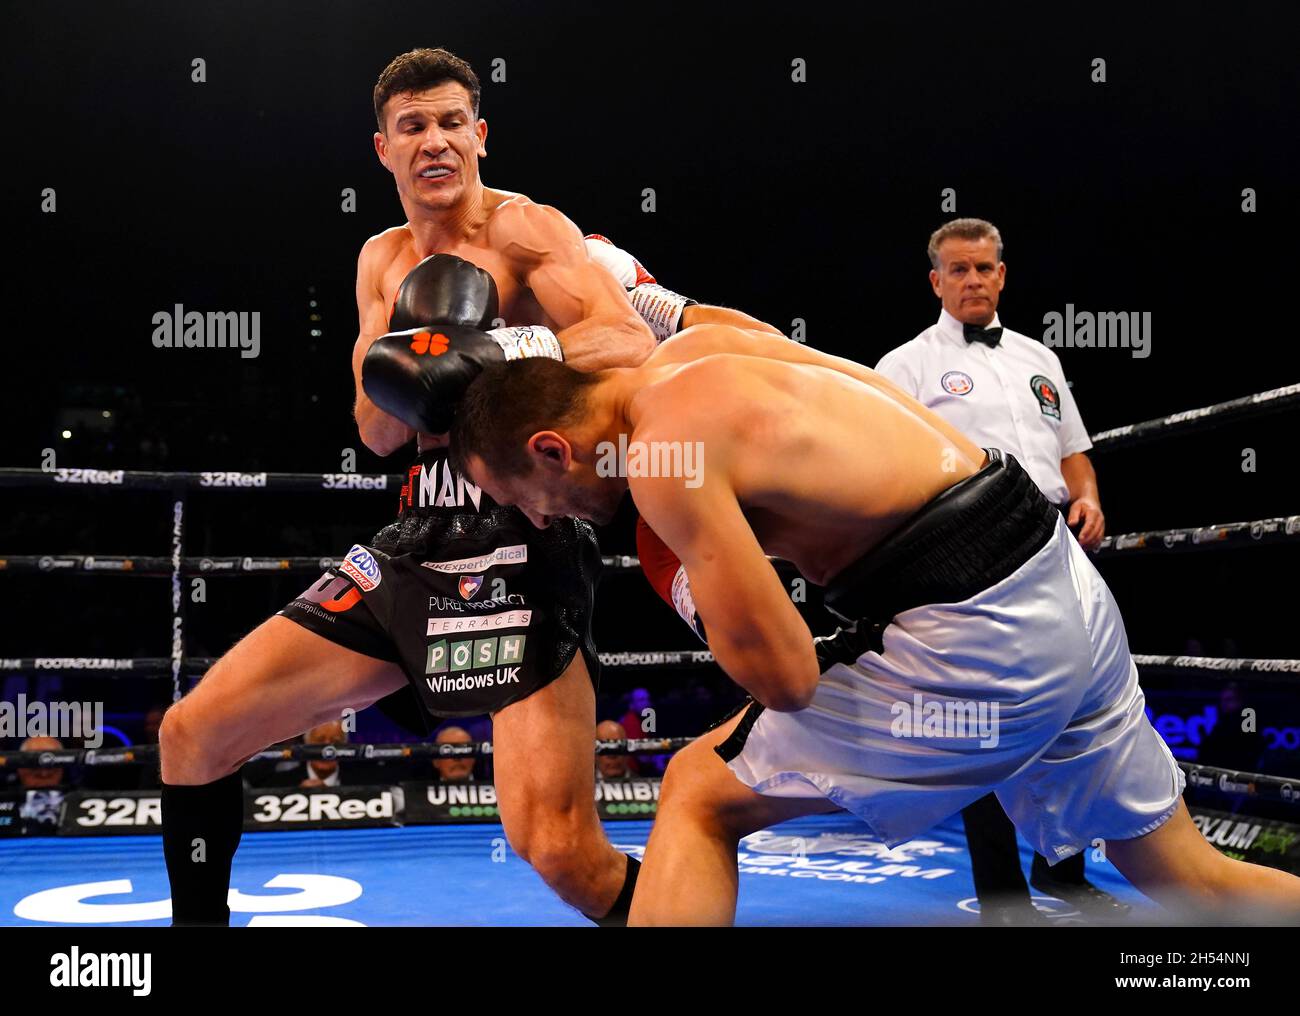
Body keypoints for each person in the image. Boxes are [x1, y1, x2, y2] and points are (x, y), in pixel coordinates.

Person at [159, 47, 776, 927]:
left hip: (527, 542)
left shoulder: (530, 231)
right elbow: (374, 434)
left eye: (452, 122)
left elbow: (627, 348)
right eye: (414, 126)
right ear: (385, 149)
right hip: (417, 542)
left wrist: (488, 351)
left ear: (480, 134)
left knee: (560, 849)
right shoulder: (380, 258)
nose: (436, 141)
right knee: (191, 735)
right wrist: (415, 358)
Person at [449, 323, 1300, 925]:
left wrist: (684, 586)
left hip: (978, 630)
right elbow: (667, 308)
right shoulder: (701, 349)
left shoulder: (662, 460)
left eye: (524, 499)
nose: (544, 520)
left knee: (698, 792)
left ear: (554, 450)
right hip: (1062, 585)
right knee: (1190, 877)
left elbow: (788, 680)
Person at [876, 217, 1118, 923]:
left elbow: (1072, 447)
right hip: (966, 545)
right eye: (958, 269)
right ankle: (1002, 898)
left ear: (1002, 274)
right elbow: (885, 463)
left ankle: (1064, 871)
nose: (973, 280)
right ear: (936, 281)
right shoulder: (906, 365)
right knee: (981, 721)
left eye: (984, 268)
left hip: (1055, 541)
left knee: (1073, 709)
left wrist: (1090, 496)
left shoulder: (1039, 357)